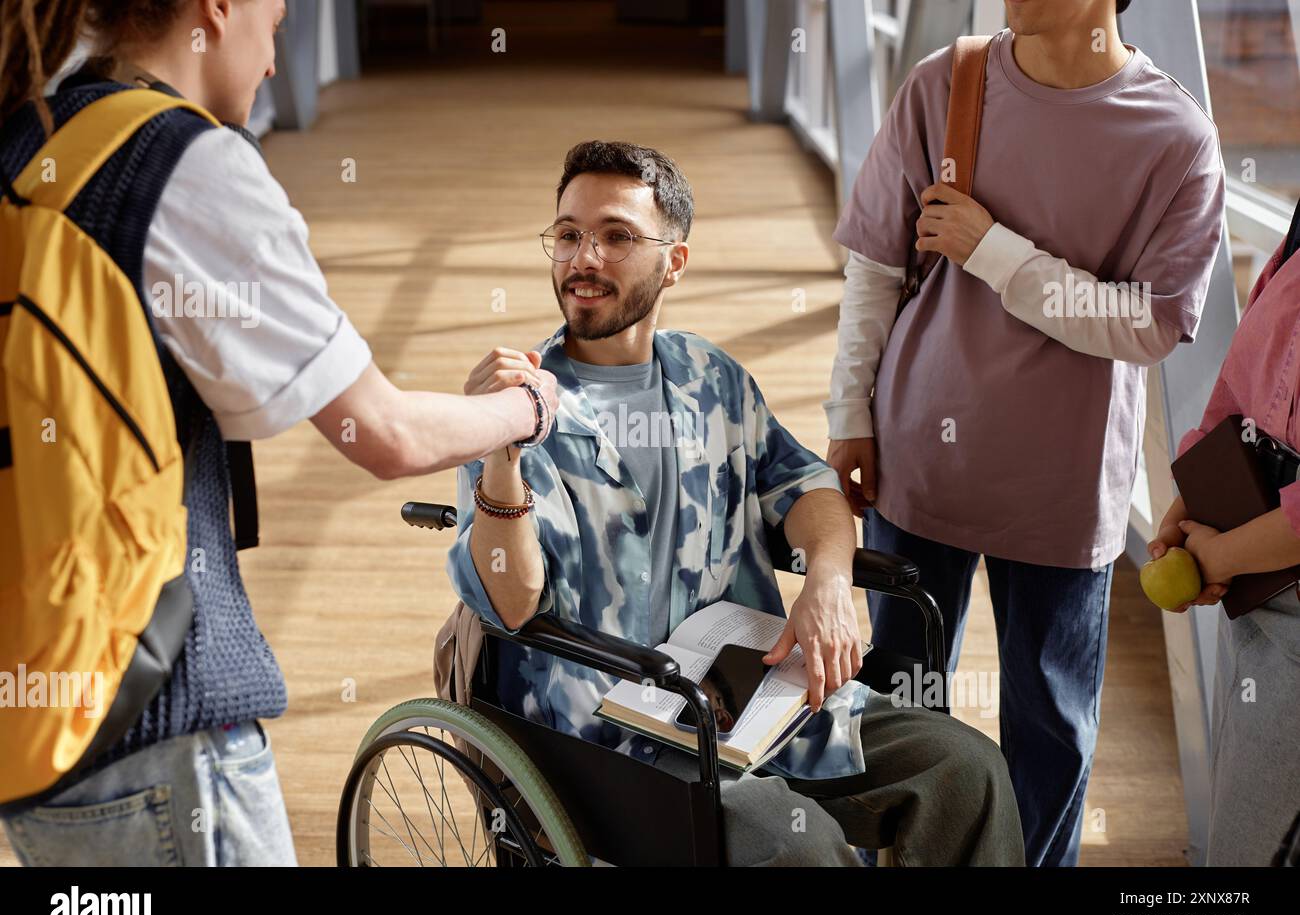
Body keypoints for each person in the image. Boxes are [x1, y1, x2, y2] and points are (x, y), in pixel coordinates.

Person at [0, 0, 557, 865]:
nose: (274, 53)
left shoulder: (28, 142)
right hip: (162, 732)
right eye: (279, 16)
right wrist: (529, 409)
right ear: (217, 9)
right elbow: (385, 432)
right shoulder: (178, 162)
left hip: (39, 713)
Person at [448, 140, 1025, 866]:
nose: (584, 258)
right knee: (803, 849)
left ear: (674, 262)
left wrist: (826, 581)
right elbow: (511, 601)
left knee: (965, 771)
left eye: (616, 236)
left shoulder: (710, 379)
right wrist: (503, 448)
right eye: (568, 234)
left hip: (755, 702)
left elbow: (809, 484)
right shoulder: (523, 407)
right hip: (610, 739)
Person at [823, 0, 1226, 864]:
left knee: (1051, 725)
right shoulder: (947, 83)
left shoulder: (1177, 135)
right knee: (896, 705)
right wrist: (849, 416)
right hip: (918, 461)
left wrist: (993, 250)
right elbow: (875, 268)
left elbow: (1149, 325)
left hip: (1063, 488)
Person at [1148, 200, 1300, 865]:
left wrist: (1224, 554)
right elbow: (1243, 380)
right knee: (1242, 826)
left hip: (1268, 571)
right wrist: (1192, 500)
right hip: (1256, 583)